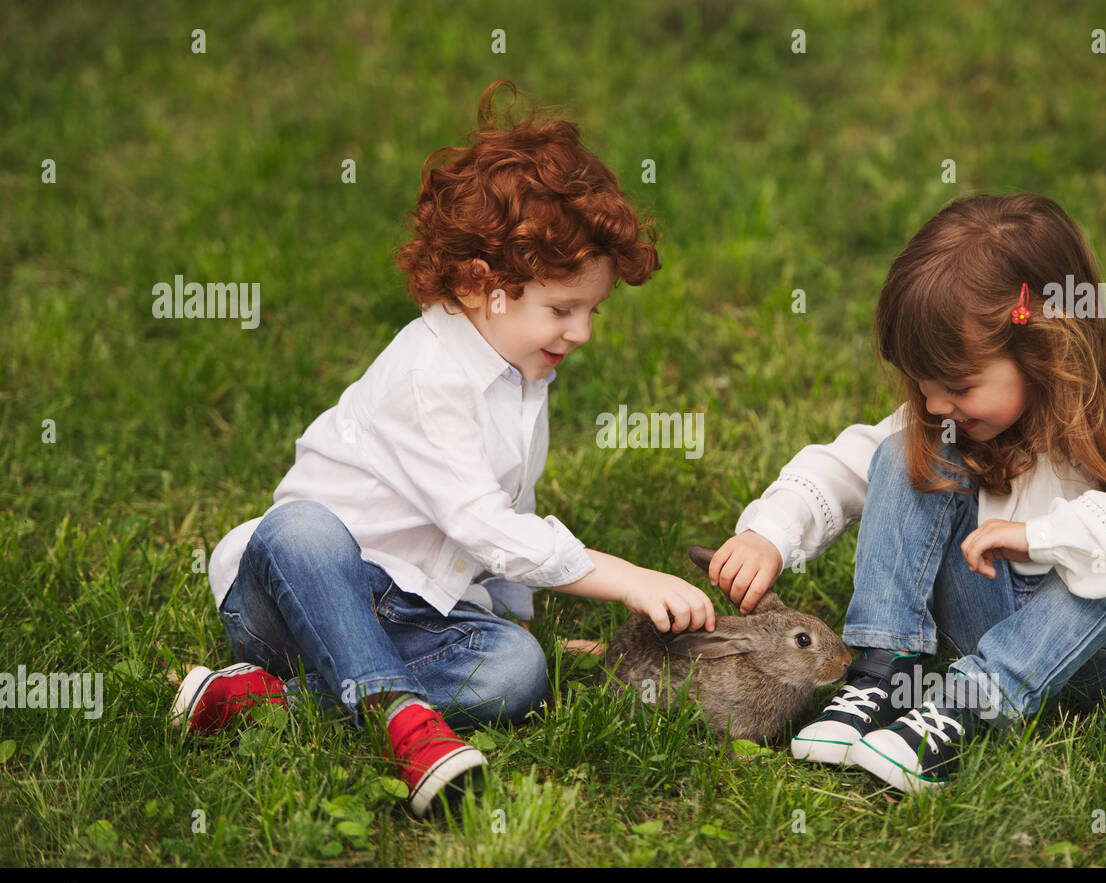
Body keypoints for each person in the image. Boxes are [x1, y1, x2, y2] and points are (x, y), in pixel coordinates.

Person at [171, 80, 716, 818]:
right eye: (563, 309)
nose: (582, 332)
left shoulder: (524, 371)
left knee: (518, 672)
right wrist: (624, 578)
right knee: (304, 528)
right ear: (480, 284)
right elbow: (480, 522)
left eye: (593, 310)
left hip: (414, 611)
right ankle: (402, 716)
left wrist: (514, 614)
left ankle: (268, 700)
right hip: (299, 597)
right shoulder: (429, 371)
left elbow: (512, 503)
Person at [708, 193, 1106, 795]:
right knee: (903, 452)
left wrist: (1043, 538)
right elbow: (851, 463)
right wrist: (771, 530)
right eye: (923, 384)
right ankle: (881, 675)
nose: (933, 403)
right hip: (983, 625)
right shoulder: (950, 418)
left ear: (1044, 344)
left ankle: (965, 708)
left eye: (955, 384)